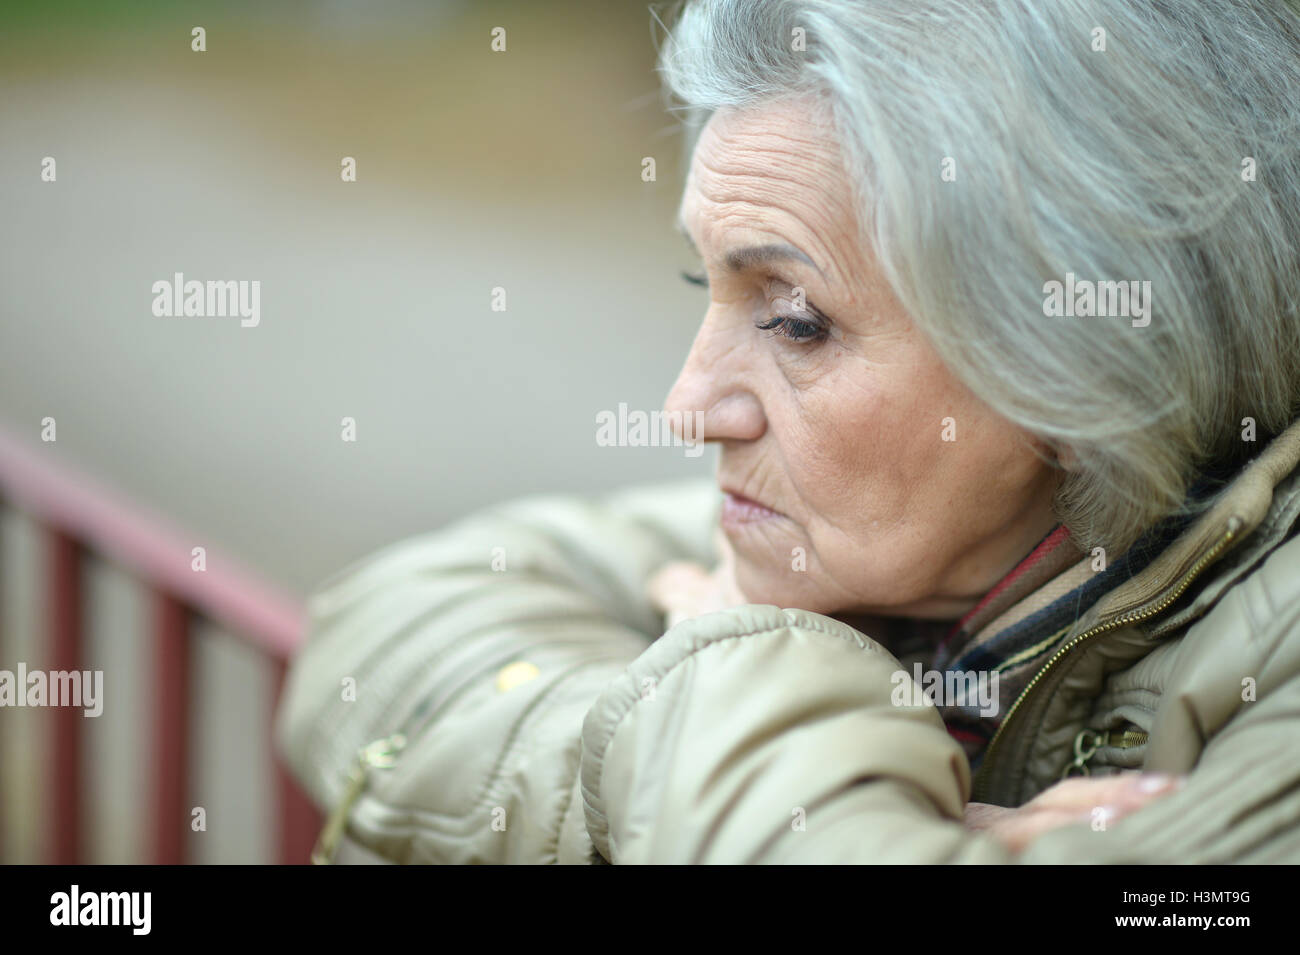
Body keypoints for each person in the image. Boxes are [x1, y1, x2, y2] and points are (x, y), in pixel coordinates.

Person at [275, 0, 1300, 863]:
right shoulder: (863, 538)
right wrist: (725, 740)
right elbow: (382, 631)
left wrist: (721, 712)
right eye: (704, 281)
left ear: (1088, 371)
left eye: (797, 321)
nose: (688, 405)